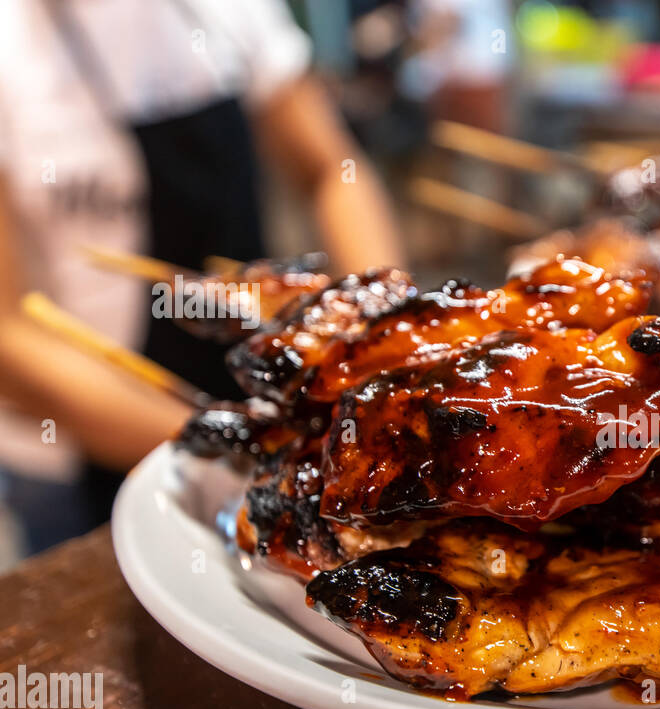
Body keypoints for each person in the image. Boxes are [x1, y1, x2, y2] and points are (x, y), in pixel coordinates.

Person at [0, 0, 405, 558]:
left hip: (264, 403)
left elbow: (332, 170)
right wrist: (244, 446)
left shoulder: (230, 11)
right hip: (80, 448)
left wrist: (384, 328)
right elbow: (8, 333)